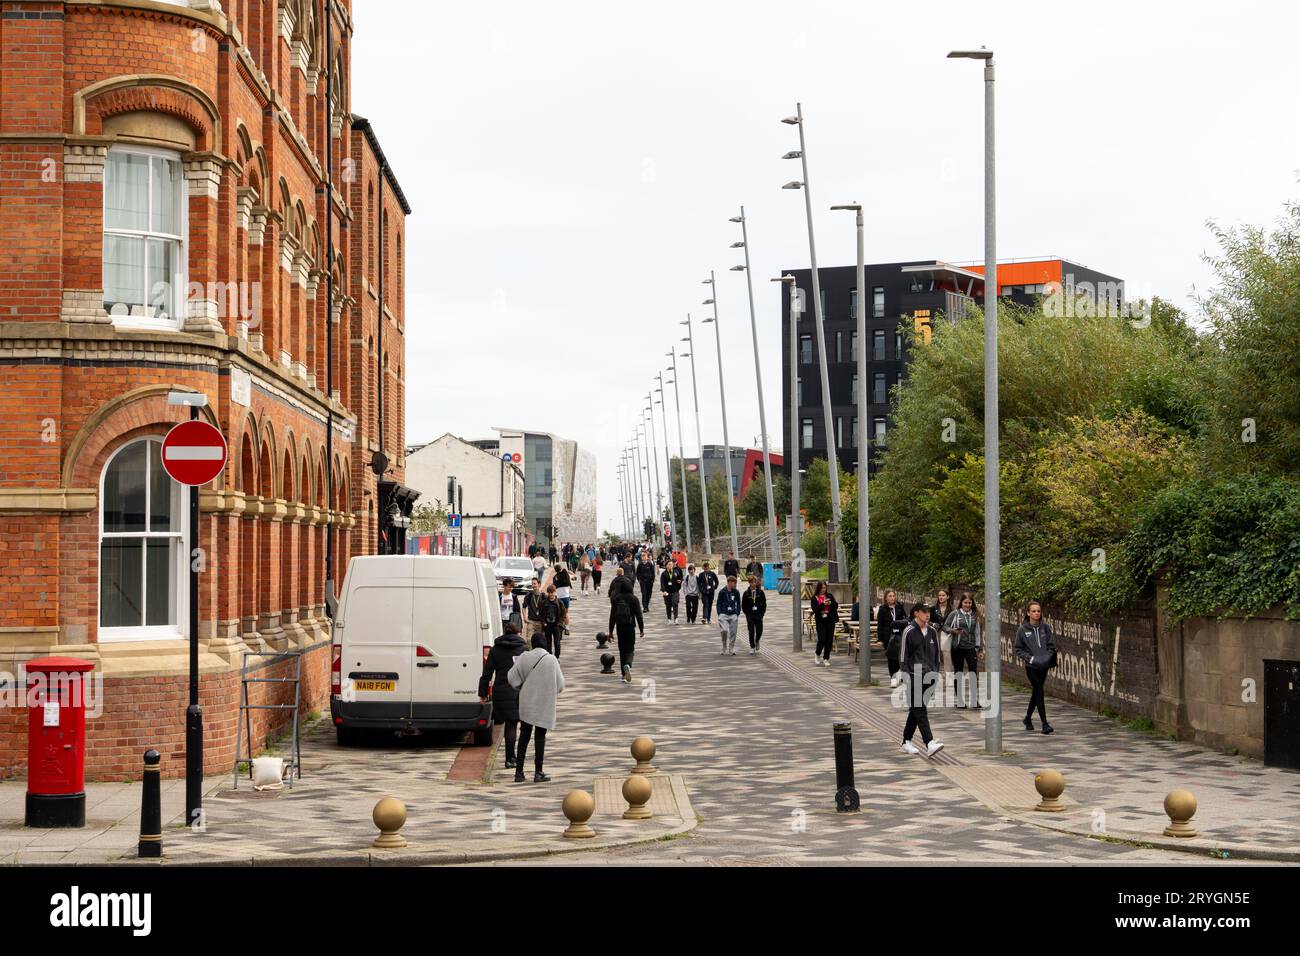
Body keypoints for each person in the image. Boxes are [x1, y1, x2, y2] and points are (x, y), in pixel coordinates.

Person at [508, 632, 565, 783]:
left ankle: (519, 772)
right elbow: (561, 685)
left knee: (524, 736)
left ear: (532, 643)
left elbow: (511, 677)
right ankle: (538, 772)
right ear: (545, 643)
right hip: (544, 704)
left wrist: (521, 687)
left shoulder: (524, 657)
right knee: (540, 737)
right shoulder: (552, 660)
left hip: (527, 702)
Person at [479, 620, 527, 768]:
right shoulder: (524, 649)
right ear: (518, 633)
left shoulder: (495, 650)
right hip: (518, 691)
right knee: (513, 724)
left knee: (508, 724)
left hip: (500, 691)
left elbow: (486, 674)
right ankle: (512, 758)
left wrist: (482, 694)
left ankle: (510, 758)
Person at [899, 604, 945, 757]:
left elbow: (937, 655)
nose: (927, 615)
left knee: (916, 710)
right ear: (916, 613)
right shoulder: (909, 631)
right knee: (920, 709)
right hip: (914, 676)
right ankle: (929, 742)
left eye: (929, 612)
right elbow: (903, 656)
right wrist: (906, 675)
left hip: (929, 676)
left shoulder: (932, 631)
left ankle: (906, 741)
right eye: (924, 612)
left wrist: (935, 673)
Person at [1015, 600, 1057, 734]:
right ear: (1028, 613)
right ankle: (1045, 724)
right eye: (1033, 611)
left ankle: (1027, 718)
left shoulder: (1045, 628)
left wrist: (1046, 657)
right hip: (1031, 666)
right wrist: (1031, 658)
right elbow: (1018, 649)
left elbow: (1052, 646)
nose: (1036, 613)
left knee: (1036, 692)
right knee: (1039, 690)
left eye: (1038, 611)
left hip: (1044, 665)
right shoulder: (1022, 629)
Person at [945, 593, 983, 709]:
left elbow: (977, 632)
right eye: (965, 602)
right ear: (961, 603)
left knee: (973, 673)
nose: (967, 605)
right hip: (957, 647)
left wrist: (979, 648)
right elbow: (945, 627)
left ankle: (974, 700)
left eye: (970, 603)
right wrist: (953, 630)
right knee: (959, 673)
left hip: (971, 647)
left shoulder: (975, 615)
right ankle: (960, 700)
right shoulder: (955, 614)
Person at [608, 584, 644, 683]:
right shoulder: (634, 599)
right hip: (630, 627)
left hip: (620, 627)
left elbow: (612, 616)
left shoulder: (616, 599)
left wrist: (610, 631)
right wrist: (641, 629)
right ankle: (628, 664)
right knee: (630, 649)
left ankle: (623, 675)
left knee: (622, 650)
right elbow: (639, 615)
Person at [877, 590, 907, 687]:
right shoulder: (882, 609)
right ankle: (893, 678)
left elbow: (905, 619)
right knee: (891, 658)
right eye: (890, 596)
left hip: (899, 635)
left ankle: (899, 674)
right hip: (888, 636)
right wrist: (880, 639)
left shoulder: (899, 607)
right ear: (886, 598)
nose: (892, 598)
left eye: (893, 596)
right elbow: (880, 625)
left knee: (900, 657)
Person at [931, 588, 954, 702]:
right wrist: (933, 624)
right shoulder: (933, 608)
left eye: (943, 595)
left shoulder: (952, 609)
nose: (941, 597)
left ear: (948, 597)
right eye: (939, 595)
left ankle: (948, 678)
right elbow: (927, 620)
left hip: (947, 633)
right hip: (936, 632)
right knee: (935, 655)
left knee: (947, 655)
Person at [810, 581, 839, 667]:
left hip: (830, 620)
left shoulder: (829, 596)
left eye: (825, 588)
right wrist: (823, 604)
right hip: (821, 621)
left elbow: (836, 606)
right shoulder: (814, 598)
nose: (823, 589)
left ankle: (826, 658)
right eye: (822, 588)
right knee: (822, 639)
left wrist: (831, 603)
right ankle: (817, 653)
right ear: (819, 588)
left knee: (829, 640)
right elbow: (815, 610)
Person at [715, 574, 742, 655]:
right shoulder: (722, 592)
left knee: (733, 632)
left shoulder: (736, 592)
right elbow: (718, 603)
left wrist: (737, 613)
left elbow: (738, 603)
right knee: (724, 630)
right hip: (724, 613)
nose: (735, 584)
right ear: (729, 582)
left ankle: (731, 648)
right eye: (734, 583)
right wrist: (719, 613)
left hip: (733, 613)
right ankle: (724, 646)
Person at [742, 574, 767, 654]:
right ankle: (752, 646)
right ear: (749, 583)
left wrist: (762, 613)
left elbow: (764, 604)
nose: (753, 584)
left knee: (760, 630)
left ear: (756, 582)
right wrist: (747, 614)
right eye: (751, 582)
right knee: (751, 631)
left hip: (758, 615)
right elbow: (743, 605)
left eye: (754, 582)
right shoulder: (746, 593)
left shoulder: (760, 592)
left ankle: (757, 640)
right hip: (750, 615)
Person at [541, 583, 568, 658]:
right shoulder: (544, 602)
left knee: (557, 643)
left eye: (552, 592)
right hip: (547, 626)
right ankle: (549, 657)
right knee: (548, 643)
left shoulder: (559, 602)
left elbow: (563, 614)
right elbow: (541, 614)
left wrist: (560, 623)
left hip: (556, 626)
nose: (550, 594)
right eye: (549, 592)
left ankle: (557, 657)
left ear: (555, 592)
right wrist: (544, 622)